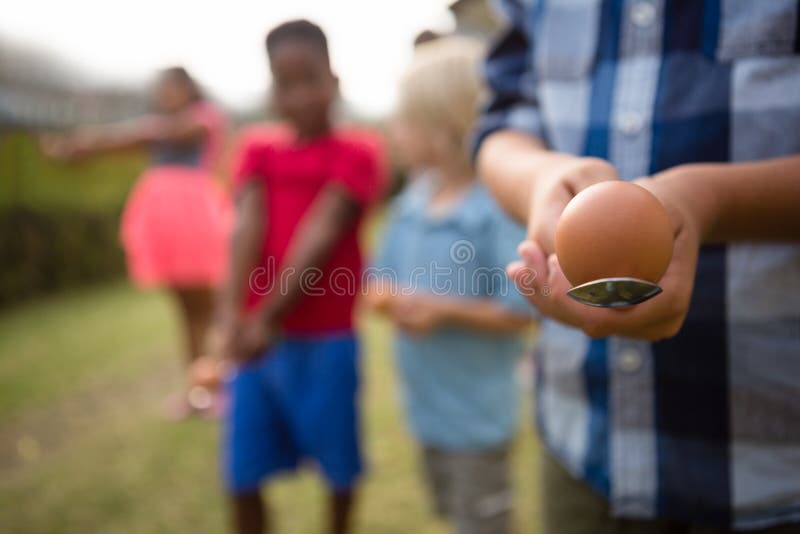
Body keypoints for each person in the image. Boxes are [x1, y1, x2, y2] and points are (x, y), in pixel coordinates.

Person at [474, 2, 800, 533]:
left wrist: (708, 200)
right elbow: (502, 126)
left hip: (773, 462)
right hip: (583, 445)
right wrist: (538, 180)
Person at [211, 20, 385, 534]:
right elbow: (246, 225)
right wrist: (229, 319)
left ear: (334, 80)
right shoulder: (256, 149)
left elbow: (321, 233)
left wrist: (265, 318)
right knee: (242, 471)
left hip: (326, 340)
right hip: (255, 344)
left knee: (338, 468)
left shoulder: (358, 152)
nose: (299, 94)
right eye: (284, 82)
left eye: (309, 77)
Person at [367, 37, 535, 534]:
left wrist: (443, 311)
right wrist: (386, 300)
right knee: (450, 513)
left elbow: (521, 312)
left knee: (481, 523)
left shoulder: (492, 210)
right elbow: (379, 280)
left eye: (406, 119)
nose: (394, 132)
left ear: (445, 125)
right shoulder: (412, 202)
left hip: (477, 421)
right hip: (427, 414)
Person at [41, 67, 231, 419]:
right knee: (186, 312)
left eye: (172, 88)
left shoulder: (202, 119)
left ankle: (226, 383)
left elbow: (156, 134)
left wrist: (91, 142)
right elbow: (145, 137)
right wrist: (86, 148)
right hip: (164, 218)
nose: (165, 95)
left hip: (193, 217)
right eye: (162, 89)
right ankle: (199, 392)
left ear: (189, 89)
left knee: (210, 307)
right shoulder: (160, 126)